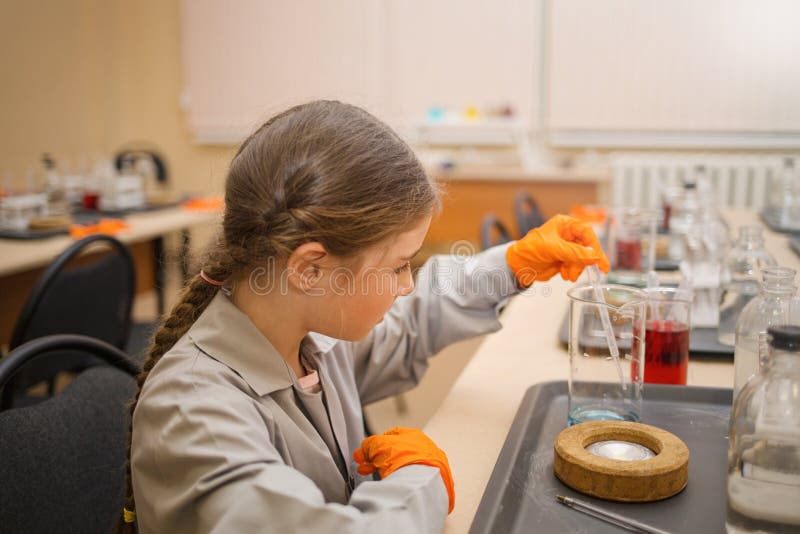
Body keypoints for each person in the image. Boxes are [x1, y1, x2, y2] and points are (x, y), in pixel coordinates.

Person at [117, 101, 608, 533]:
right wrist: (419, 480)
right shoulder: (194, 415)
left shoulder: (305, 337)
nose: (407, 284)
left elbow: (410, 327)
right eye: (398, 266)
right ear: (310, 268)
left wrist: (510, 265)